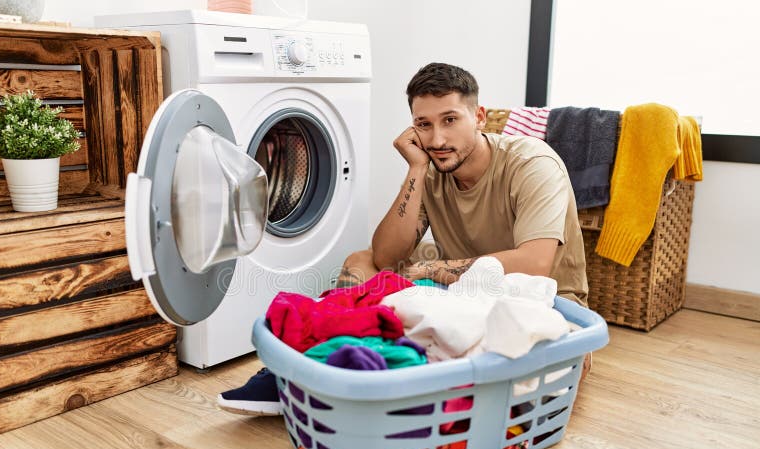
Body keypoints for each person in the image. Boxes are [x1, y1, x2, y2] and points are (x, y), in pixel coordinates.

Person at [217, 62, 590, 416]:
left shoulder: (532, 163)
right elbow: (384, 255)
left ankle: (345, 381)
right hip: (459, 298)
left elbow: (536, 262)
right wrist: (416, 168)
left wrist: (431, 268)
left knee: (540, 360)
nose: (437, 138)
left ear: (478, 117)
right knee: (360, 262)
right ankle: (314, 367)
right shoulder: (431, 167)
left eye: (450, 120)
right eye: (423, 125)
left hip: (541, 305)